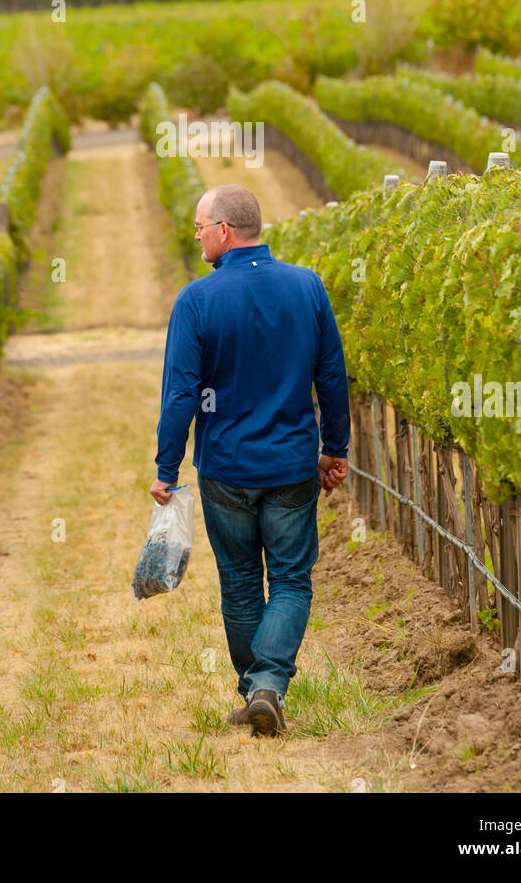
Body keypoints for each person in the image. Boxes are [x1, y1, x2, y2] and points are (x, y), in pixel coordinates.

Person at [150, 183, 350, 738]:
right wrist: (335, 449)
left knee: (239, 581)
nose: (196, 237)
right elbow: (331, 376)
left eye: (199, 227)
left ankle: (258, 686)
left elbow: (180, 395)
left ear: (224, 231)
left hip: (226, 470)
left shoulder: (198, 300)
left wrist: (167, 468)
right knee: (290, 580)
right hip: (290, 468)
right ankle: (267, 686)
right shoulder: (306, 287)